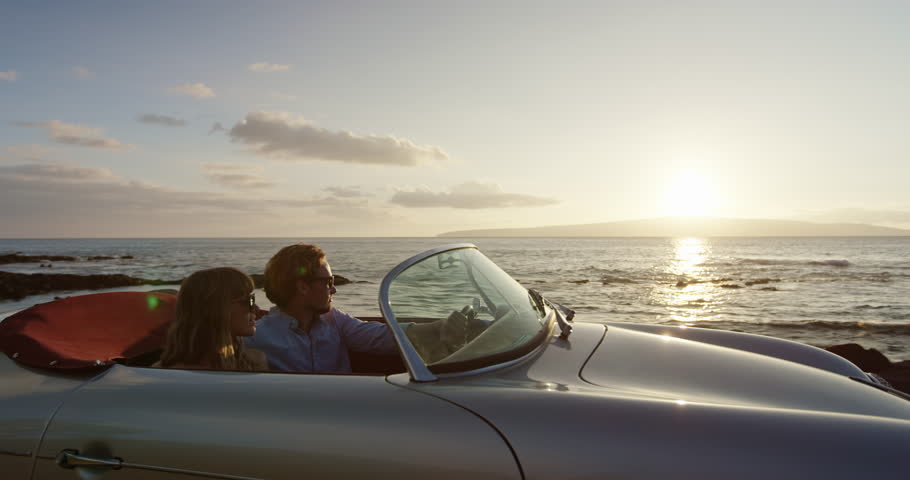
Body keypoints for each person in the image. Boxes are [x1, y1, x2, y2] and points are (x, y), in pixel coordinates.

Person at [245, 243, 465, 373]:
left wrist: (440, 328)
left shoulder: (335, 321)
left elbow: (383, 337)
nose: (334, 291)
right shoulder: (256, 337)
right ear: (303, 286)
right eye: (328, 283)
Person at [156, 267, 267, 371]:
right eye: (247, 301)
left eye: (252, 299)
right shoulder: (164, 372)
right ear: (215, 310)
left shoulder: (254, 362)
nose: (256, 308)